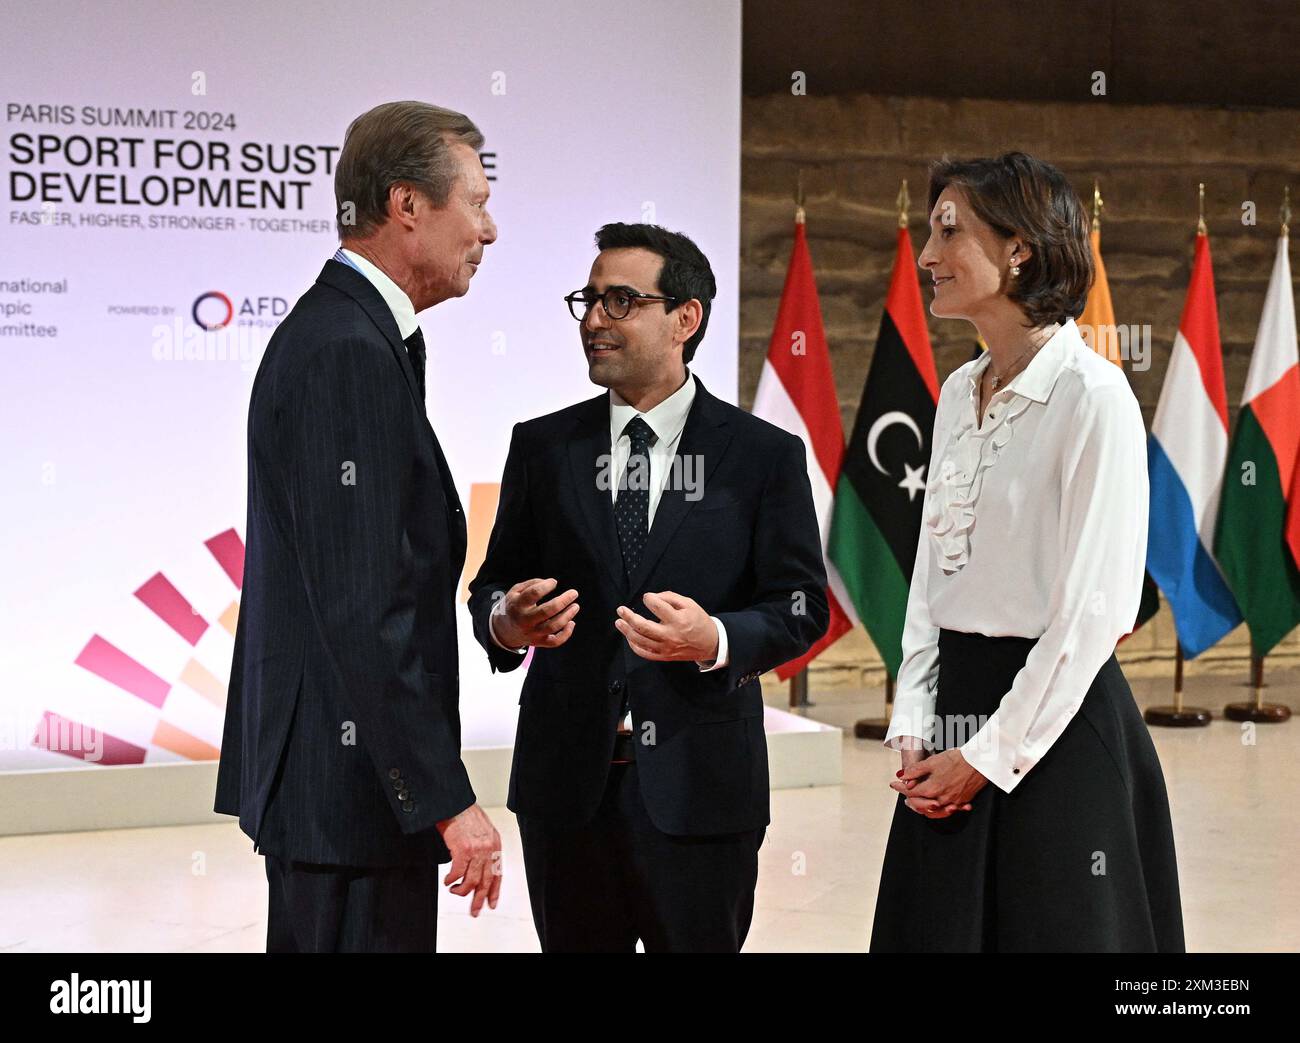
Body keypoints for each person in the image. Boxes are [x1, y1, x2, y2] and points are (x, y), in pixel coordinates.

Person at [467, 223, 830, 952]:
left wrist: (717, 638)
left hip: (702, 791)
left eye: (622, 301)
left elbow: (800, 606)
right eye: (590, 300)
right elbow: (492, 587)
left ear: (684, 319)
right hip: (566, 791)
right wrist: (508, 620)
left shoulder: (761, 455)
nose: (595, 320)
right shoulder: (543, 446)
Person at [870, 152, 1185, 952]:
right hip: (954, 721)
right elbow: (930, 580)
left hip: (1058, 727)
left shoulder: (1094, 395)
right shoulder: (953, 392)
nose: (927, 255)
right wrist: (915, 717)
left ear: (1020, 249)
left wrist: (986, 754)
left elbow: (1093, 612)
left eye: (950, 231)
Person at [214, 101, 502, 952]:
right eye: (476, 202)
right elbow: (362, 607)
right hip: (348, 801)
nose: (489, 230)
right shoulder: (347, 348)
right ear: (407, 205)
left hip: (349, 795)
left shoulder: (356, 332)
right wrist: (449, 798)